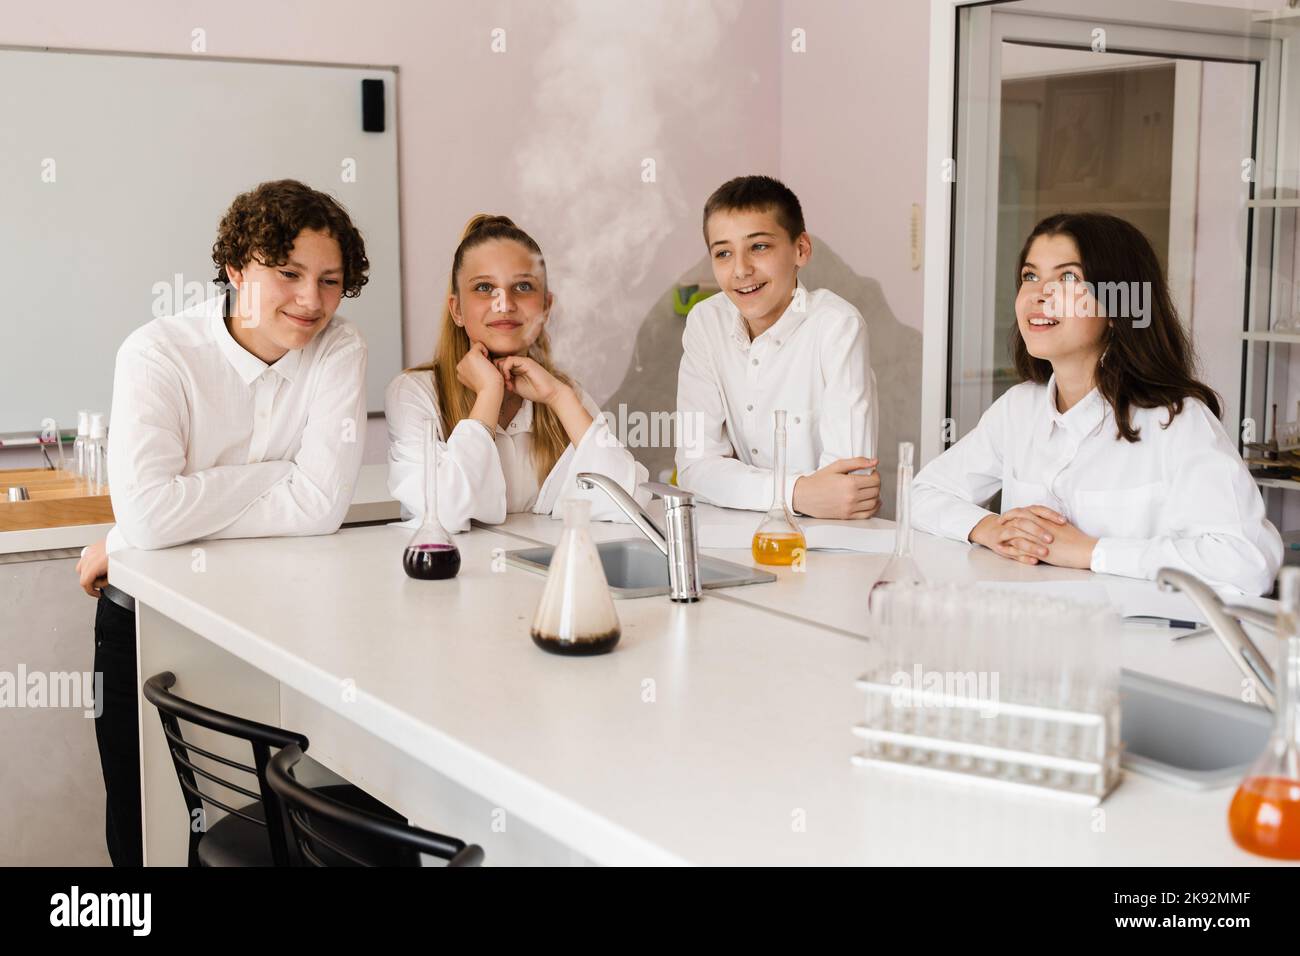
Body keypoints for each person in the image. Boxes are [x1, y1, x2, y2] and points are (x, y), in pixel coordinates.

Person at [74, 179, 371, 864]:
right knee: (147, 827)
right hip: (148, 617)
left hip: (277, 621)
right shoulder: (157, 353)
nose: (311, 300)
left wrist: (133, 532)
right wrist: (280, 476)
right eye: (289, 273)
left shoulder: (339, 348)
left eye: (330, 281)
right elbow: (149, 513)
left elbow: (321, 509)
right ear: (238, 268)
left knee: (269, 819)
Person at [911, 212, 1281, 595]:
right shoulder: (1018, 409)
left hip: (1140, 647)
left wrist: (1092, 552)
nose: (1040, 294)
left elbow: (1248, 562)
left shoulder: (1177, 420)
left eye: (1068, 278)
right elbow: (923, 494)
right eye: (1030, 276)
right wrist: (989, 529)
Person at [385, 214, 647, 529]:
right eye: (484, 287)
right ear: (457, 309)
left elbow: (628, 503)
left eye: (523, 286)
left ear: (546, 307)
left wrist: (559, 397)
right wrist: (488, 394)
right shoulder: (414, 394)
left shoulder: (563, 394)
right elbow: (443, 512)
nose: (504, 304)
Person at [674, 175, 880, 518]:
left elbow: (848, 490)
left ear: (801, 250)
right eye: (723, 253)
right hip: (738, 533)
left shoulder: (837, 326)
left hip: (827, 543)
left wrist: (737, 484)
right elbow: (694, 468)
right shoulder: (705, 322)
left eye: (759, 247)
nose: (741, 270)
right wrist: (798, 493)